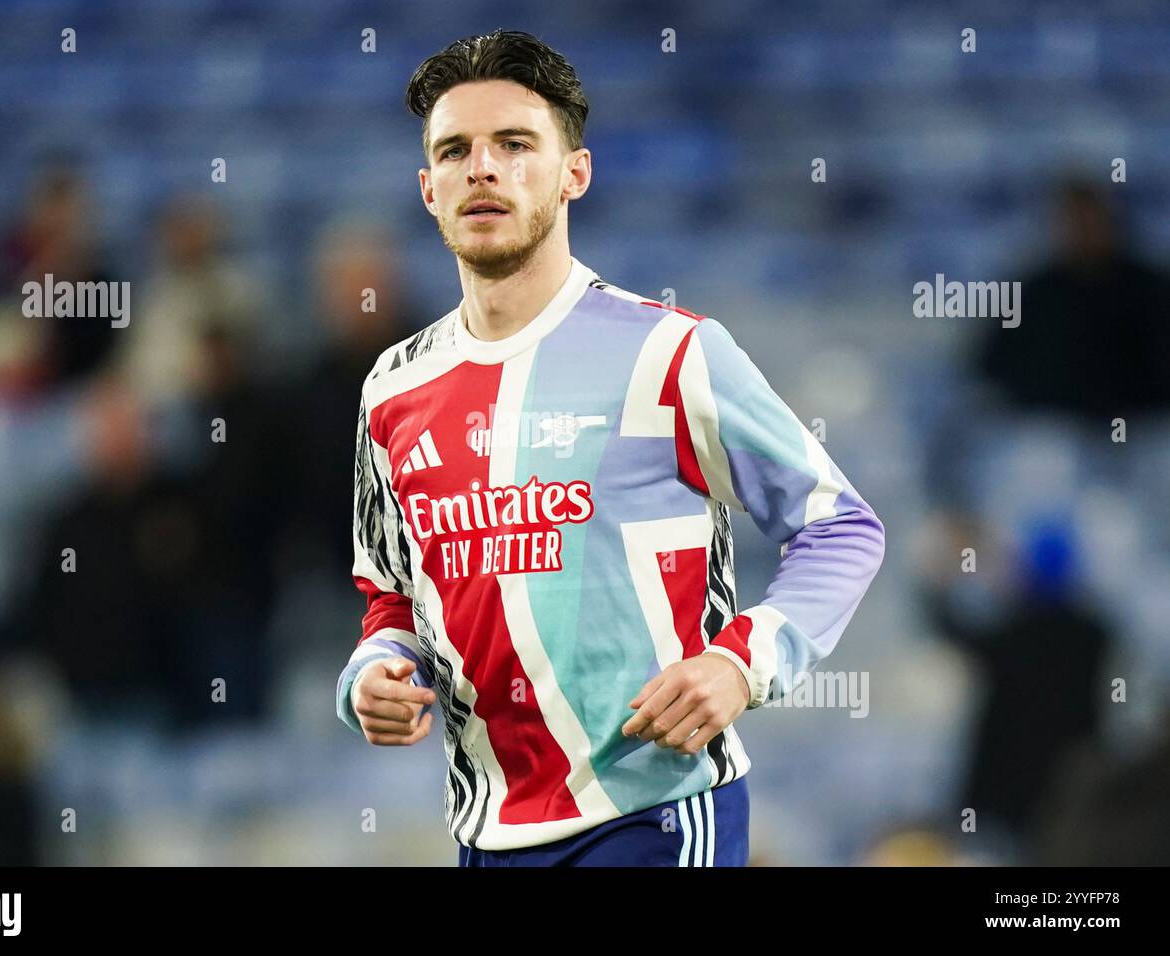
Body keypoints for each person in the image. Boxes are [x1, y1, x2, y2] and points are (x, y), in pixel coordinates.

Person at [333, 30, 885, 867]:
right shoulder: (391, 390)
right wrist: (373, 670)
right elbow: (394, 596)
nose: (482, 168)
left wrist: (742, 662)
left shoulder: (671, 354)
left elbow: (842, 526)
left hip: (656, 816)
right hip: (487, 832)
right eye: (455, 151)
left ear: (573, 174)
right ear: (428, 189)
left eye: (515, 145)